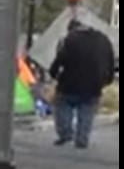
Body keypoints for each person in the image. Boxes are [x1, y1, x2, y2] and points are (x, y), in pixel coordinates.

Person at [48, 20, 116, 149]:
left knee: (62, 104)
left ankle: (65, 133)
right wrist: (107, 80)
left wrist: (53, 73)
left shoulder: (70, 40)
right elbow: (111, 62)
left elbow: (60, 60)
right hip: (94, 85)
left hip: (69, 84)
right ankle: (82, 139)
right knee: (87, 110)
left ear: (71, 29)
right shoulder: (104, 40)